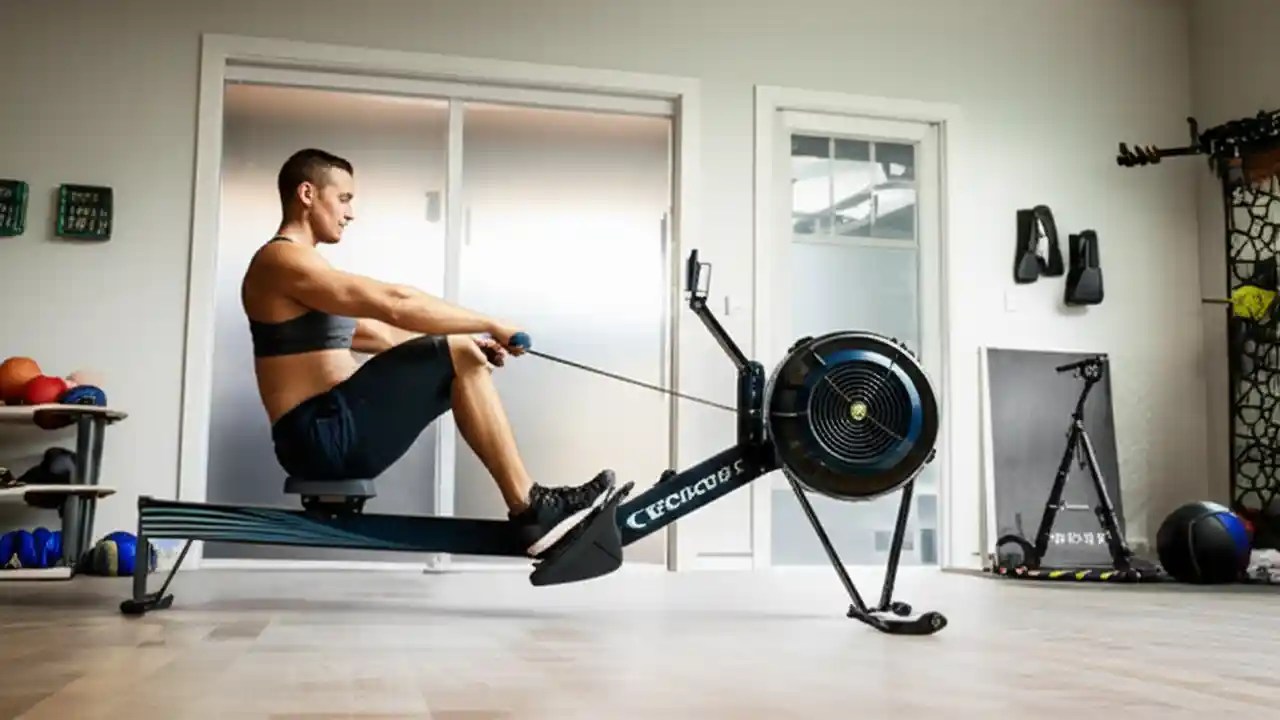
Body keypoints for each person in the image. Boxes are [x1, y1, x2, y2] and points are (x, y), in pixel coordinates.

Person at [240, 148, 615, 557]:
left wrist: (468, 349)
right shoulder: (281, 259)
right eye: (344, 198)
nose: (351, 213)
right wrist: (488, 323)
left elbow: (382, 336)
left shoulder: (305, 276)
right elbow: (395, 301)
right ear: (308, 193)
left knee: (461, 355)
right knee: (456, 352)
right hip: (319, 435)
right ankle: (533, 508)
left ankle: (534, 505)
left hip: (330, 430)